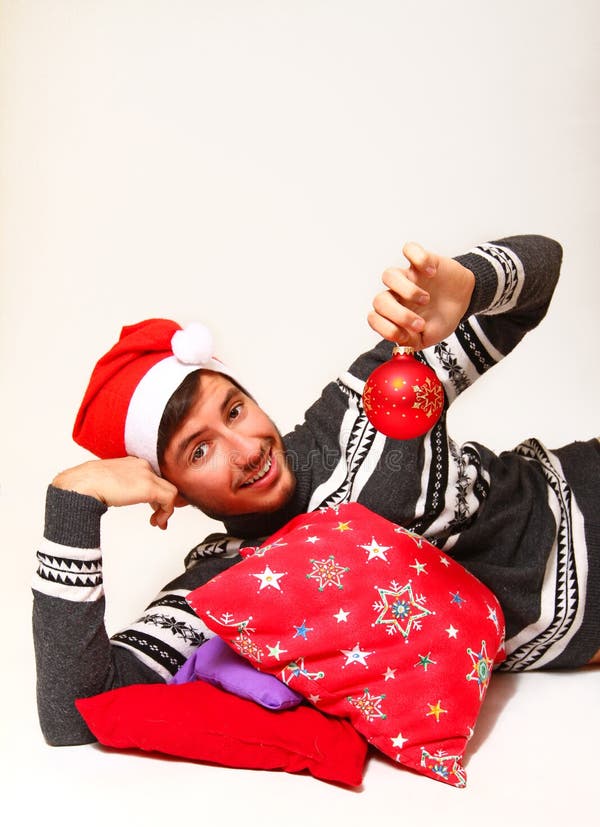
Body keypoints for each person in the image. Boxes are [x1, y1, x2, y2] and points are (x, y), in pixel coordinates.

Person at [32, 234, 600, 747]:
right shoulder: (223, 587)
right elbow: (75, 714)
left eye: (235, 410)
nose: (246, 449)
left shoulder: (360, 407)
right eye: (199, 451)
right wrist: (71, 505)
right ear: (169, 489)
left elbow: (544, 266)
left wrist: (470, 284)